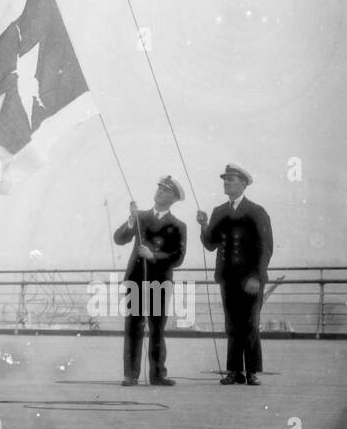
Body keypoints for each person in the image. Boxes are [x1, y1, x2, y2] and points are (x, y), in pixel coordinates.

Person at [196, 164, 274, 386]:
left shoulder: (256, 211)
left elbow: (265, 248)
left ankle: (251, 372)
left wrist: (256, 277)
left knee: (250, 324)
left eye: (230, 179)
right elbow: (210, 244)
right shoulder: (219, 211)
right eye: (225, 179)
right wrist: (203, 226)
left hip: (250, 279)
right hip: (228, 278)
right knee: (232, 325)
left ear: (243, 183)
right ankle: (233, 371)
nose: (226, 183)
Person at [113, 176, 187, 387]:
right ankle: (130, 375)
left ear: (173, 198)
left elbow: (178, 257)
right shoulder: (140, 217)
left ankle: (158, 374)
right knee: (133, 326)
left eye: (165, 191)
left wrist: (153, 255)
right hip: (136, 279)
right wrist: (130, 219)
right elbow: (119, 239)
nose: (160, 192)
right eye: (159, 188)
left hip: (160, 282)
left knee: (157, 327)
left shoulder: (178, 225)